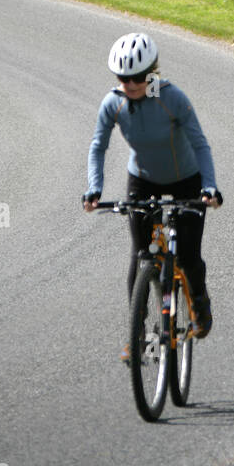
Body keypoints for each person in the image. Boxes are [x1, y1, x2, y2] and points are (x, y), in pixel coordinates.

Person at [83, 31, 222, 353]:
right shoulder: (113, 103)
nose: (130, 84)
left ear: (151, 73)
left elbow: (200, 143)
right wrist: (94, 188)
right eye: (123, 77)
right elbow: (97, 147)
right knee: (140, 254)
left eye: (137, 77)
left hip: (186, 179)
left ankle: (200, 305)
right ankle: (138, 335)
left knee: (187, 255)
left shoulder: (170, 97)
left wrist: (209, 186)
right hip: (142, 180)